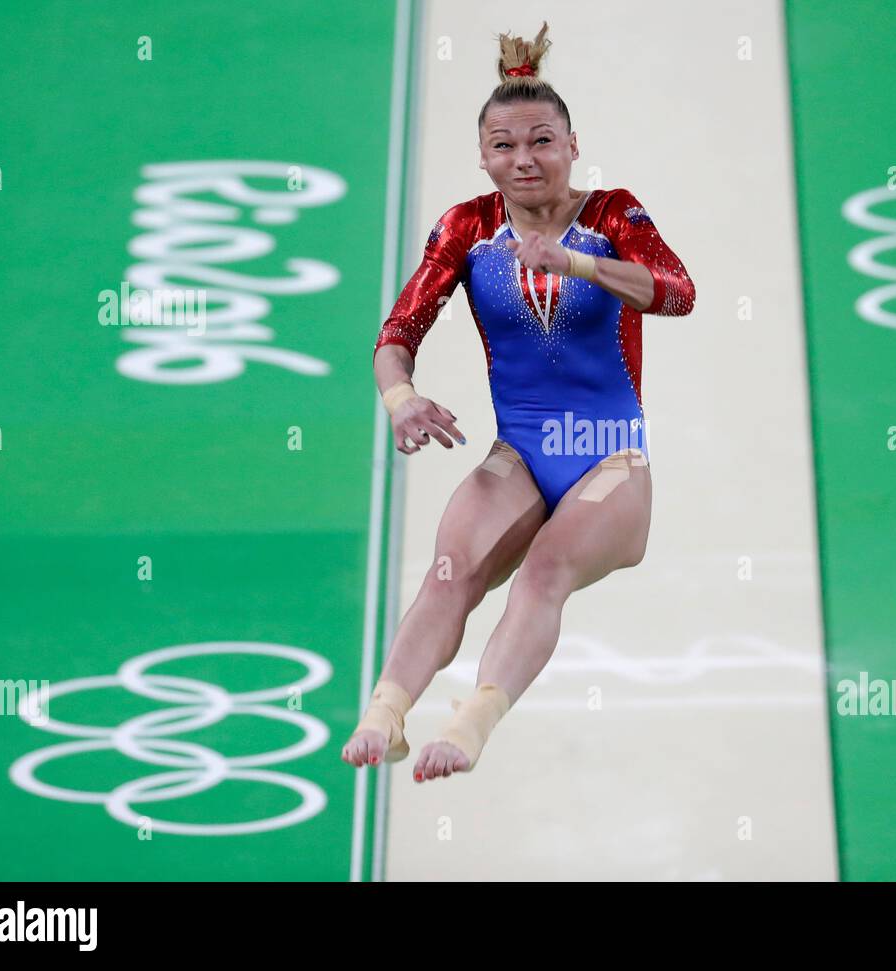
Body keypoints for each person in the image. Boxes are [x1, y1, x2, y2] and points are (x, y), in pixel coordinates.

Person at [341, 21, 695, 782]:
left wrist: (575, 262)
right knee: (448, 570)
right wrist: (399, 396)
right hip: (522, 454)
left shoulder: (613, 215)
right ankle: (386, 711)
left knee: (543, 571)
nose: (523, 158)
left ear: (572, 144)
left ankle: (472, 721)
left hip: (609, 460)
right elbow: (399, 328)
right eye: (504, 145)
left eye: (541, 141)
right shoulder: (466, 228)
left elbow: (678, 293)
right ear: (482, 156)